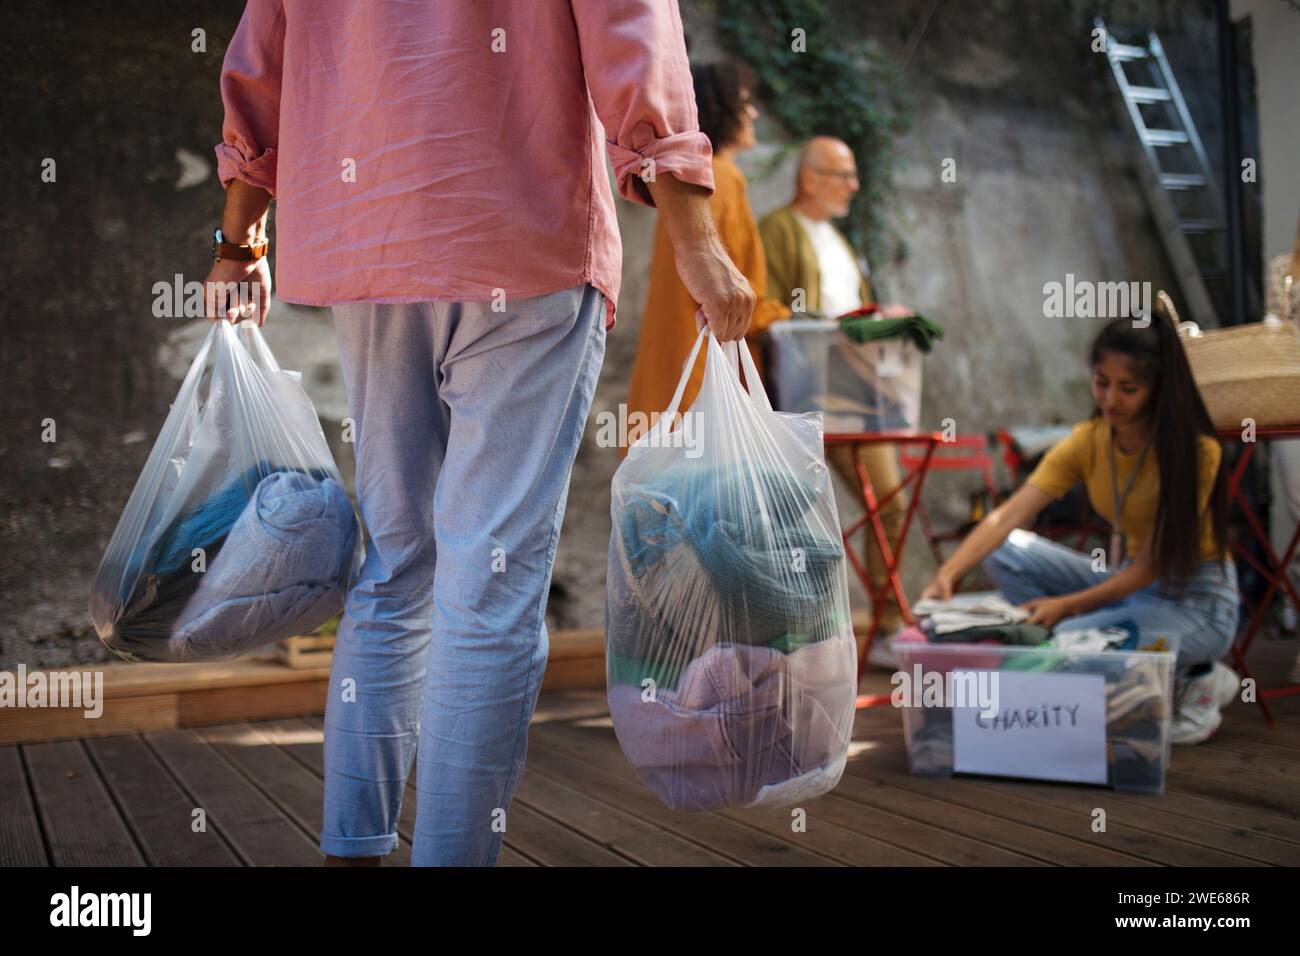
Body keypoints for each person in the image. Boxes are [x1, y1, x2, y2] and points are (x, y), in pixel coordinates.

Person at [205, 0, 755, 867]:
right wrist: (693, 232)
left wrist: (238, 240)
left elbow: (262, 55)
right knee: (488, 580)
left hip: (370, 237)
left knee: (393, 564)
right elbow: (632, 30)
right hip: (522, 231)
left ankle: (352, 848)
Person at [919, 313, 1241, 746]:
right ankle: (1119, 638)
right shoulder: (1090, 440)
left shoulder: (1196, 452)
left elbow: (1152, 567)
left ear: (1160, 390)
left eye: (1128, 389)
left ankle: (1198, 675)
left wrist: (1067, 607)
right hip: (1128, 584)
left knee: (1068, 648)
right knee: (1005, 551)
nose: (1111, 399)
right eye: (1101, 382)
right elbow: (1006, 516)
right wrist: (947, 575)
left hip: (1198, 600)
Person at [759, 136, 907, 668]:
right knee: (803, 517)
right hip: (808, 397)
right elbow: (767, 309)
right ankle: (807, 639)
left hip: (863, 397)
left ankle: (888, 626)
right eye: (842, 175)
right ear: (810, 178)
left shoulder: (842, 243)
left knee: (891, 505)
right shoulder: (777, 229)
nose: (854, 185)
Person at [621, 60, 789, 456]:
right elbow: (732, 292)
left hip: (671, 377)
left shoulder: (689, 184)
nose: (753, 113)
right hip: (705, 381)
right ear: (722, 109)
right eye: (744, 102)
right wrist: (794, 320)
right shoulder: (722, 178)